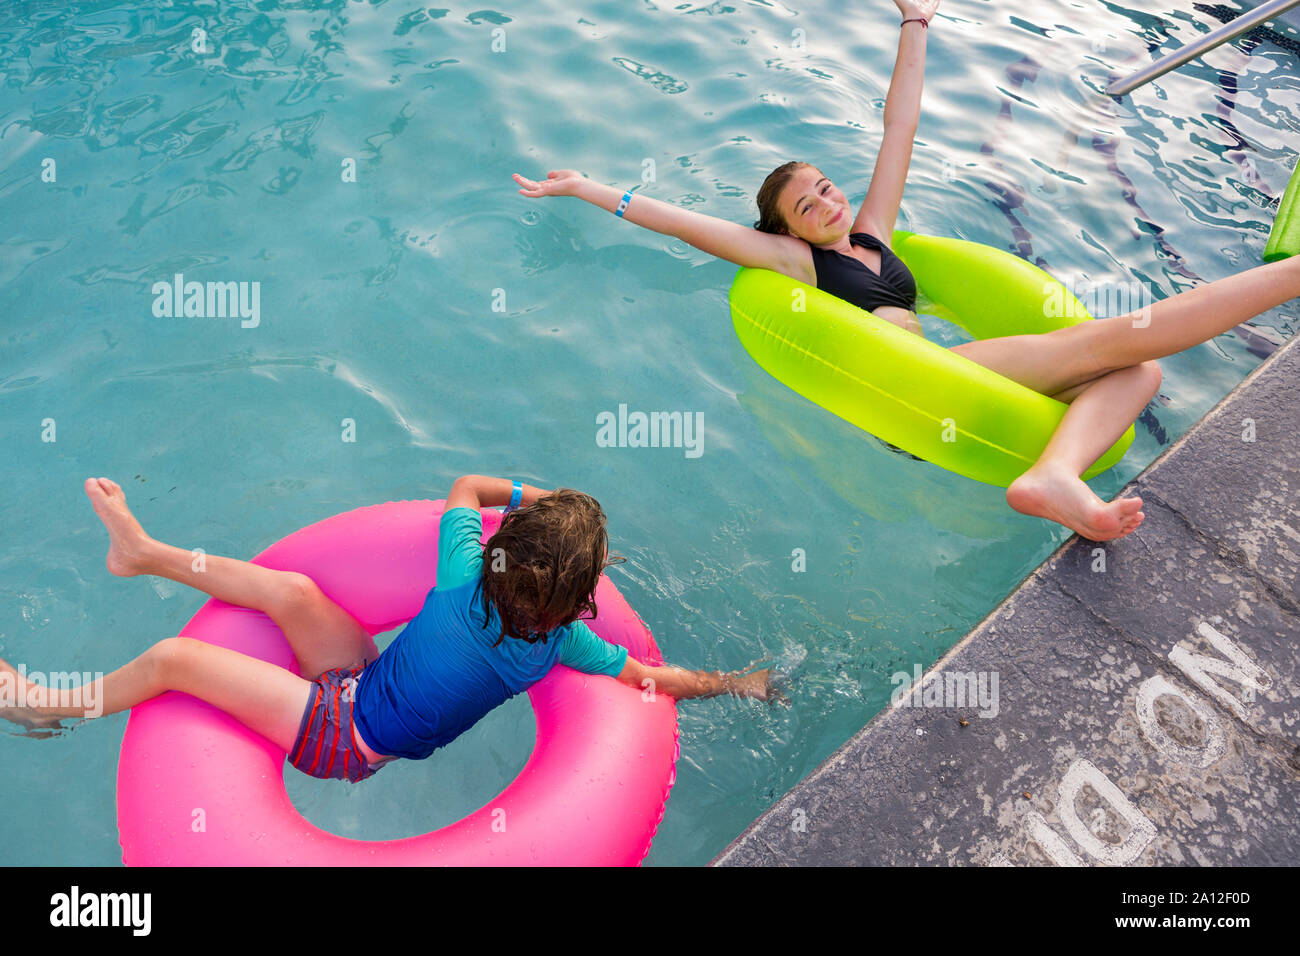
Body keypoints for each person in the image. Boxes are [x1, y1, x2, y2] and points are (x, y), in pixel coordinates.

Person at [512, 0, 1299, 542]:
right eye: (804, 203)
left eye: (824, 186)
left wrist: (916, 20)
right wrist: (590, 191)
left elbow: (901, 124)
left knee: (1141, 372)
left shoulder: (874, 232)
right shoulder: (800, 264)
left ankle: (1053, 474)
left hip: (948, 383)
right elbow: (693, 226)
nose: (822, 202)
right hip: (922, 393)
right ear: (785, 228)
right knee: (1116, 338)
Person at [0, 476, 774, 777]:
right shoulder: (563, 645)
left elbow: (467, 485)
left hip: (340, 738)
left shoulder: (461, 573)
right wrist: (736, 683)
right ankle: (141, 553)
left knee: (175, 657)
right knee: (298, 591)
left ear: (505, 544)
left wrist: (541, 496)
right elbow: (647, 677)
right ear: (577, 600)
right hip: (361, 688)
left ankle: (44, 705)